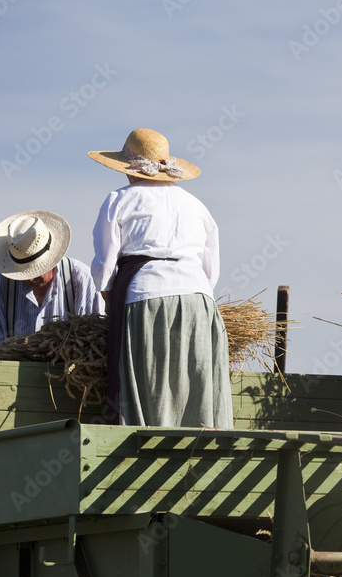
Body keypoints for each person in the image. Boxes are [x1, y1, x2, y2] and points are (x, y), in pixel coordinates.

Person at [88, 128, 233, 428]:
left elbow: (104, 266)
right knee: (197, 386)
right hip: (200, 303)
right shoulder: (197, 206)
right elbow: (211, 273)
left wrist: (109, 301)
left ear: (128, 169)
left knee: (149, 388)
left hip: (147, 300)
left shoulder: (119, 200)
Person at [0, 210, 103, 358]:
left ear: (52, 258)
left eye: (34, 271)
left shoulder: (83, 282)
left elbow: (96, 351)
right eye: (22, 273)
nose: (29, 279)